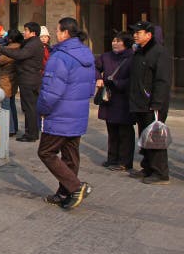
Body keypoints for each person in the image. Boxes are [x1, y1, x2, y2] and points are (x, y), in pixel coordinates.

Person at [37, 18, 96, 210]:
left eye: (58, 30)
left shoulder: (60, 56)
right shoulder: (86, 53)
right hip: (77, 112)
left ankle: (76, 187)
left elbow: (51, 90)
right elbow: (89, 88)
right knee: (70, 155)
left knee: (46, 152)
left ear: (65, 33)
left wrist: (42, 110)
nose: (56, 33)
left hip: (60, 113)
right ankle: (64, 193)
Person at [127, 20, 171, 184]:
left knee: (155, 137)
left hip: (153, 104)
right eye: (135, 33)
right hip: (139, 103)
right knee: (144, 137)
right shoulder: (139, 52)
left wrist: (157, 103)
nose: (135, 35)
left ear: (149, 35)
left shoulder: (160, 52)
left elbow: (162, 80)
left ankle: (160, 172)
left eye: (138, 33)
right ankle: (148, 167)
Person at [0, 22, 45, 142]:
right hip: (30, 78)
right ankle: (32, 132)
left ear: (33, 33)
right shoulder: (33, 43)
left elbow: (19, 55)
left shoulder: (33, 44)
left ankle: (31, 134)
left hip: (29, 79)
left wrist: (1, 48)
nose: (24, 32)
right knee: (30, 107)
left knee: (29, 108)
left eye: (26, 30)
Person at [95, 32, 134, 171]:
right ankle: (112, 158)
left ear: (126, 43)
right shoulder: (106, 57)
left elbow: (133, 79)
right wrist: (98, 77)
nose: (115, 43)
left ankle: (125, 161)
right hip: (109, 98)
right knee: (111, 130)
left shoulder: (132, 57)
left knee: (125, 132)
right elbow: (95, 67)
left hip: (124, 99)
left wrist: (117, 83)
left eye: (118, 41)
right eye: (113, 40)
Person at [0, 28, 23, 137]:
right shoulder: (21, 48)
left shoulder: (10, 50)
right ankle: (14, 127)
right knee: (12, 105)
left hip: (6, 79)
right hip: (13, 79)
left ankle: (9, 129)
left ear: (10, 38)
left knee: (6, 106)